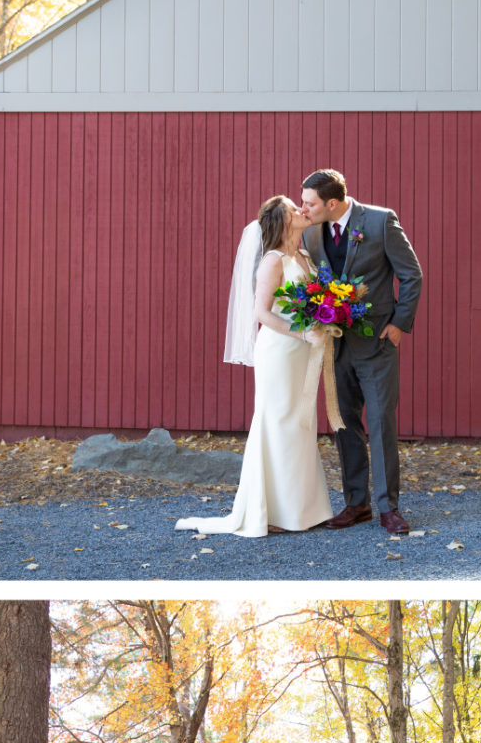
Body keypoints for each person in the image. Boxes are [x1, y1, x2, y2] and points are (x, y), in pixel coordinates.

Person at [175, 196, 332, 538]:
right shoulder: (273, 262)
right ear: (282, 221)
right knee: (277, 421)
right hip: (280, 349)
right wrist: (303, 332)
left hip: (304, 350)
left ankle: (302, 509)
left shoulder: (303, 256)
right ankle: (271, 510)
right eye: (294, 209)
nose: (302, 211)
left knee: (302, 420)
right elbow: (261, 313)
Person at [300, 168, 423, 536]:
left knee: (382, 421)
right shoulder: (310, 231)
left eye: (310, 203)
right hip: (334, 346)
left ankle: (389, 508)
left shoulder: (381, 222)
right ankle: (357, 504)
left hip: (377, 343)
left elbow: (411, 274)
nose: (304, 209)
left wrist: (400, 324)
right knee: (344, 425)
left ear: (332, 204)